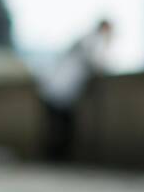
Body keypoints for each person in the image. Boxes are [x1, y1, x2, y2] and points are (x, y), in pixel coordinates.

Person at [37, 18, 114, 161]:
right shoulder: (93, 41)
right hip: (61, 89)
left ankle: (54, 157)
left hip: (55, 87)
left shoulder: (85, 39)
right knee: (62, 127)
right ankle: (58, 158)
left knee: (56, 127)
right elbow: (97, 64)